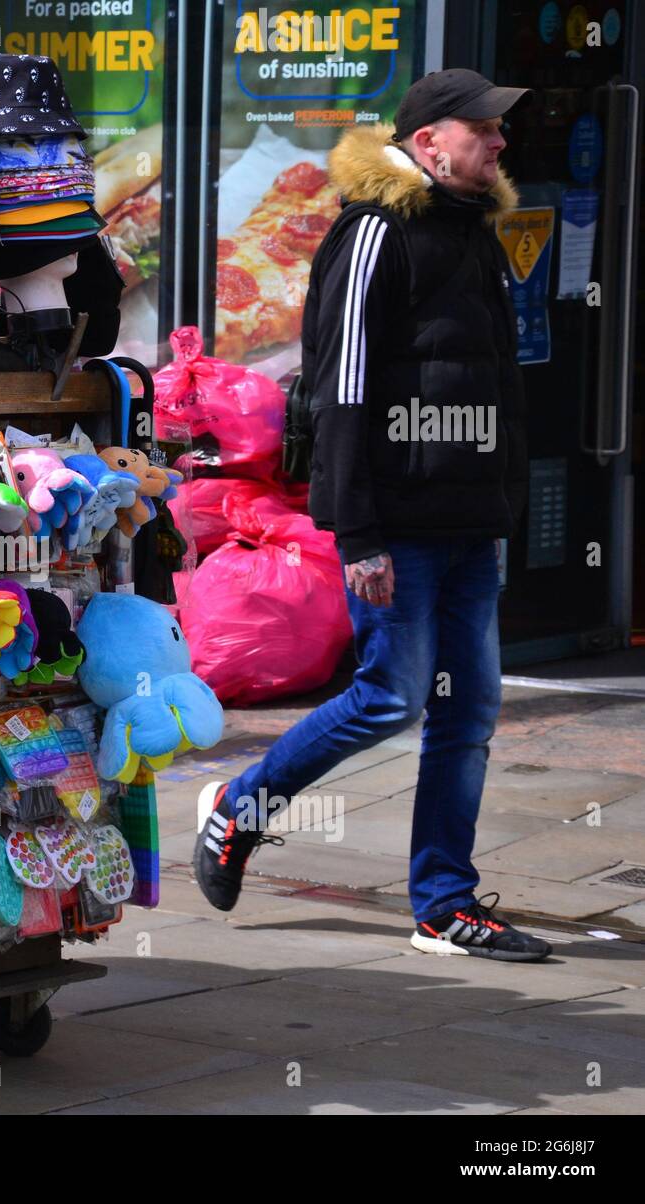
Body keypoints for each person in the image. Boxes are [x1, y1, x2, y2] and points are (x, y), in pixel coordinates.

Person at [194, 70, 551, 962]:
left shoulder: (472, 234)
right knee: (390, 696)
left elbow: (494, 385)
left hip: (470, 526)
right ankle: (242, 807)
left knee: (468, 714)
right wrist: (355, 534)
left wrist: (504, 503)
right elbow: (340, 389)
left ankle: (444, 903)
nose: (501, 144)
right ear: (430, 142)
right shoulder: (372, 234)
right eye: (486, 130)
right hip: (396, 528)